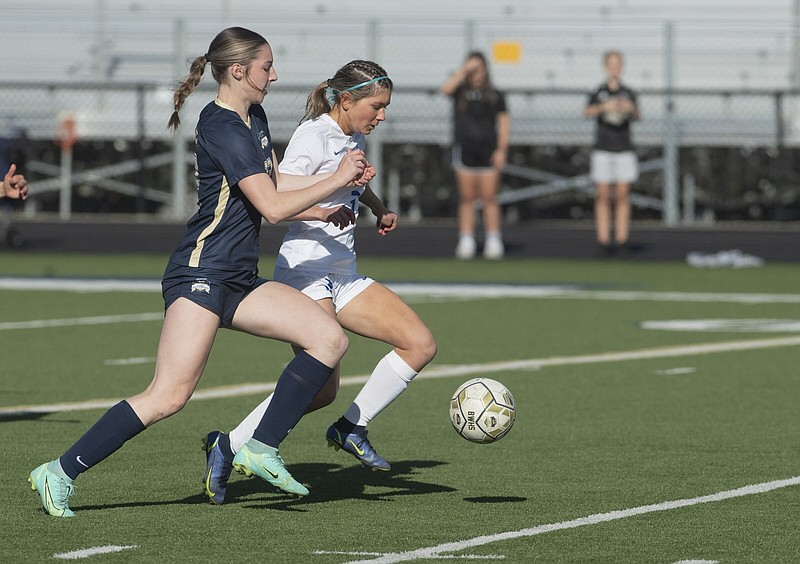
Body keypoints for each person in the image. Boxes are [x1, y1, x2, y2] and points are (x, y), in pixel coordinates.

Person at [28, 26, 375, 517]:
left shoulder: (253, 114)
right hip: (200, 271)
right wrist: (336, 179)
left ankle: (259, 446)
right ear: (239, 71)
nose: (273, 76)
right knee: (168, 395)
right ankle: (59, 471)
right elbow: (271, 207)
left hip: (237, 276)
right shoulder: (221, 126)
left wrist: (317, 211)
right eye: (266, 67)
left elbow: (272, 188)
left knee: (329, 339)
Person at [201, 60, 437, 505]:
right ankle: (229, 446)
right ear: (346, 100)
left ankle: (351, 426)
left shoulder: (353, 134)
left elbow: (348, 179)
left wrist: (376, 203)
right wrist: (338, 179)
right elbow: (279, 183)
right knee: (321, 385)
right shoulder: (315, 134)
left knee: (419, 343)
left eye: (384, 107)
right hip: (305, 270)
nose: (381, 115)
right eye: (376, 106)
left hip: (343, 271)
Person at [440, 51, 510, 260]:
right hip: (465, 150)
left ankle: (493, 239)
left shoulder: (496, 95)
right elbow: (445, 90)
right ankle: (466, 239)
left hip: (488, 151)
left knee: (489, 197)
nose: (476, 74)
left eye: (479, 69)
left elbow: (505, 123)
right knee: (467, 198)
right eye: (473, 69)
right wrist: (464, 71)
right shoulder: (460, 92)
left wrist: (502, 149)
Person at [583, 50, 640, 254]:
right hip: (603, 148)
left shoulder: (628, 92)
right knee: (603, 195)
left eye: (618, 64)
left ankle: (622, 239)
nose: (615, 68)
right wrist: (604, 107)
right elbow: (587, 111)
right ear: (605, 66)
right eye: (611, 64)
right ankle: (604, 240)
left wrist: (627, 108)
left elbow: (637, 114)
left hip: (623, 147)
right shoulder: (598, 91)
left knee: (623, 195)